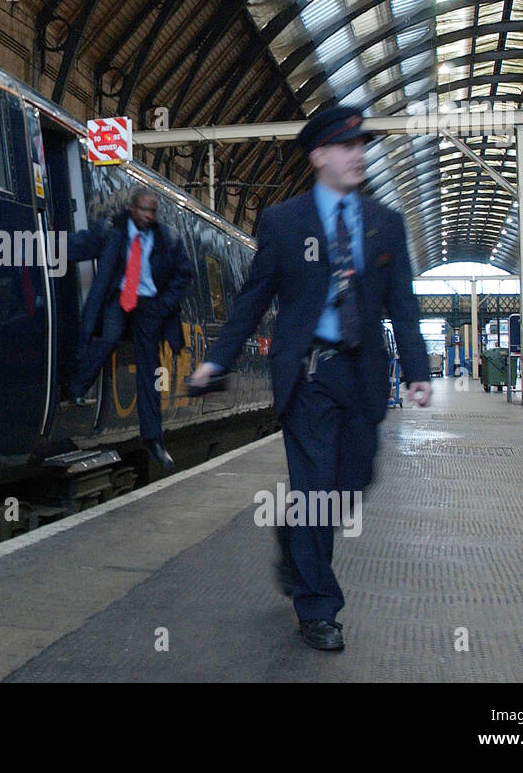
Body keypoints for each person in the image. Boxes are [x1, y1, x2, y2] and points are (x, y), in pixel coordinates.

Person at [188, 106, 431, 652]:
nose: (358, 155)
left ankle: (293, 532)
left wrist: (418, 370)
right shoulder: (284, 222)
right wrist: (217, 359)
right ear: (319, 155)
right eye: (347, 147)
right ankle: (318, 606)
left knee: (352, 484)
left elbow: (405, 307)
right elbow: (253, 300)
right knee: (318, 490)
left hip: (363, 376)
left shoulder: (385, 223)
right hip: (308, 376)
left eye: (363, 146)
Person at [66, 188, 193, 469]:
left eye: (153, 211)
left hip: (149, 305)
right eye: (144, 210)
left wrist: (164, 305)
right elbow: (79, 245)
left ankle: (153, 439)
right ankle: (77, 388)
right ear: (132, 209)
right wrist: (29, 247)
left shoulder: (168, 239)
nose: (149, 216)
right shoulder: (112, 230)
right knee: (107, 337)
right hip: (120, 298)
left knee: (149, 368)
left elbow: (184, 274)